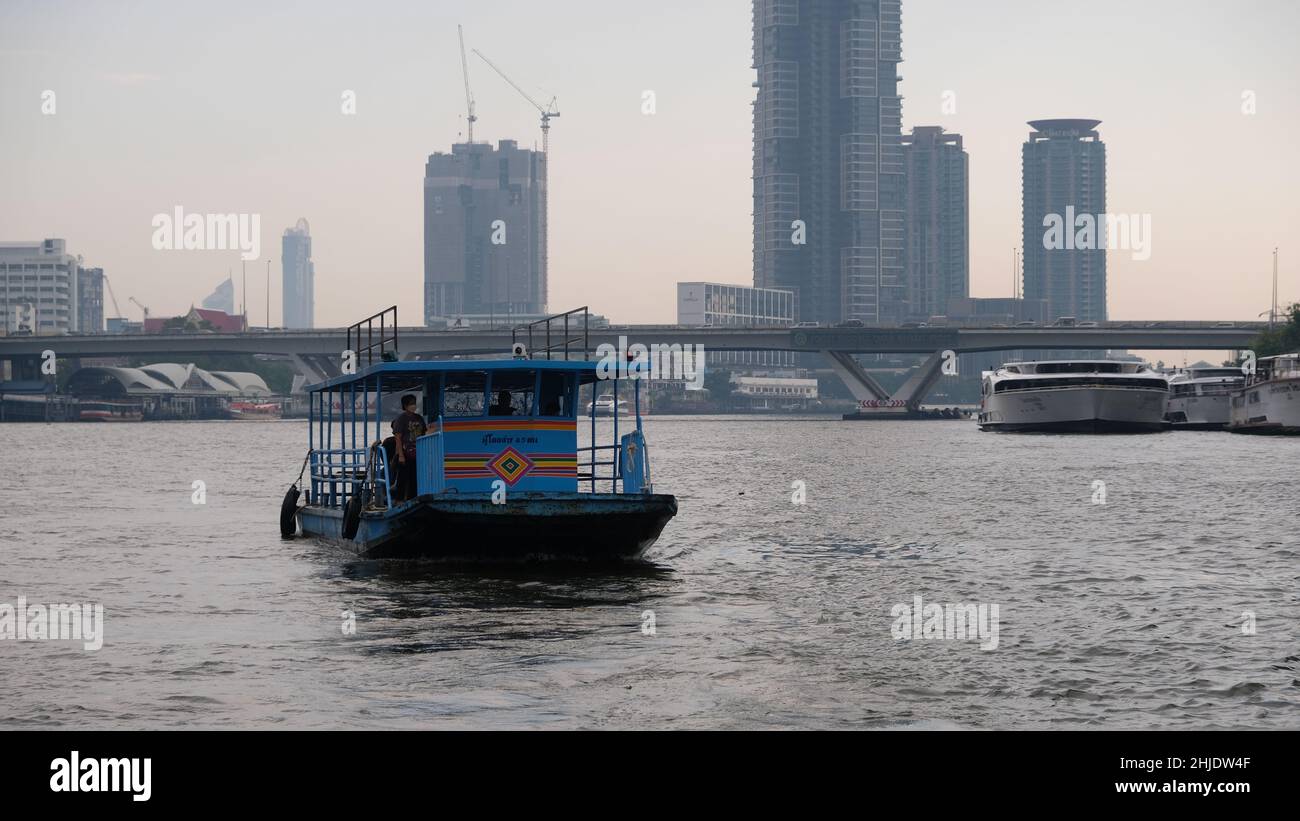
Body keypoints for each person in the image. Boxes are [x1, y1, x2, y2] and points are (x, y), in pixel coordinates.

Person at [391, 394, 426, 502]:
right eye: (411, 404)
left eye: (414, 403)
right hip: (406, 452)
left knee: (415, 477)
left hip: (418, 451)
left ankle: (413, 498)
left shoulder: (419, 418)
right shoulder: (401, 419)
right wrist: (401, 455)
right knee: (403, 477)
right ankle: (399, 500)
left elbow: (425, 432)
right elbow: (398, 437)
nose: (413, 406)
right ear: (405, 406)